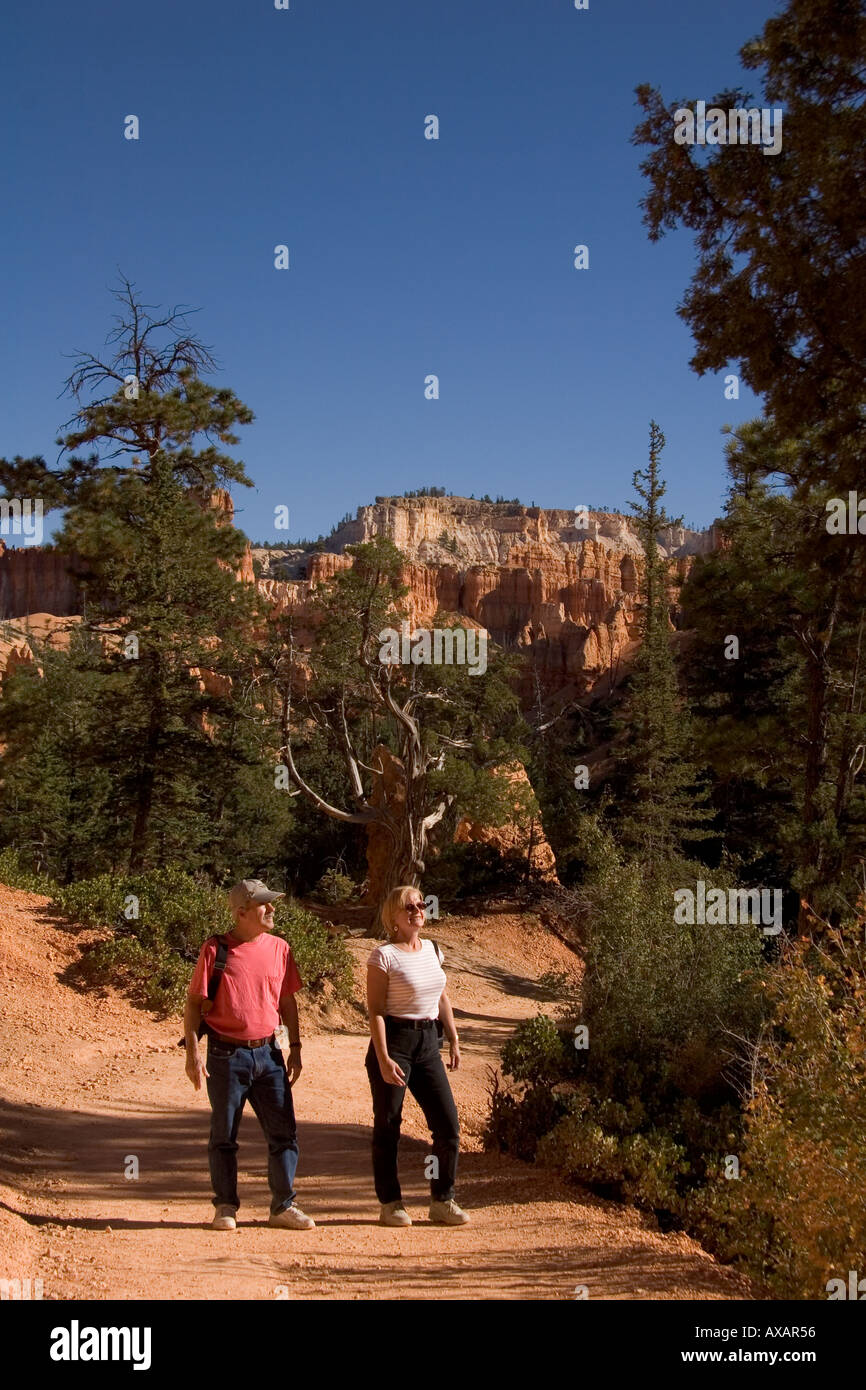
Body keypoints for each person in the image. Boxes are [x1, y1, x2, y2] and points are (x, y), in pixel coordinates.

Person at [184, 878, 315, 1232]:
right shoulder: (215, 949)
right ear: (241, 913)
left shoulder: (280, 949)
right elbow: (195, 1004)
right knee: (224, 1135)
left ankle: (282, 1206)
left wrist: (296, 1048)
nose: (272, 909)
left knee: (284, 1133)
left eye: (272, 903)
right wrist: (193, 1053)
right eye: (264, 905)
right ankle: (225, 1207)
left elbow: (287, 1002)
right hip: (226, 1056)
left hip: (269, 1056)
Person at [365, 884, 469, 1227]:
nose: (418, 910)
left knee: (448, 1126)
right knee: (388, 1125)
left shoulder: (433, 950)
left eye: (421, 905)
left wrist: (453, 1037)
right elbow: (376, 1011)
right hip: (395, 1041)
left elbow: (441, 997)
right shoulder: (383, 956)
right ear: (394, 916)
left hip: (428, 1043)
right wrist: (382, 1057)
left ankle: (442, 1200)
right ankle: (390, 1202)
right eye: (409, 906)